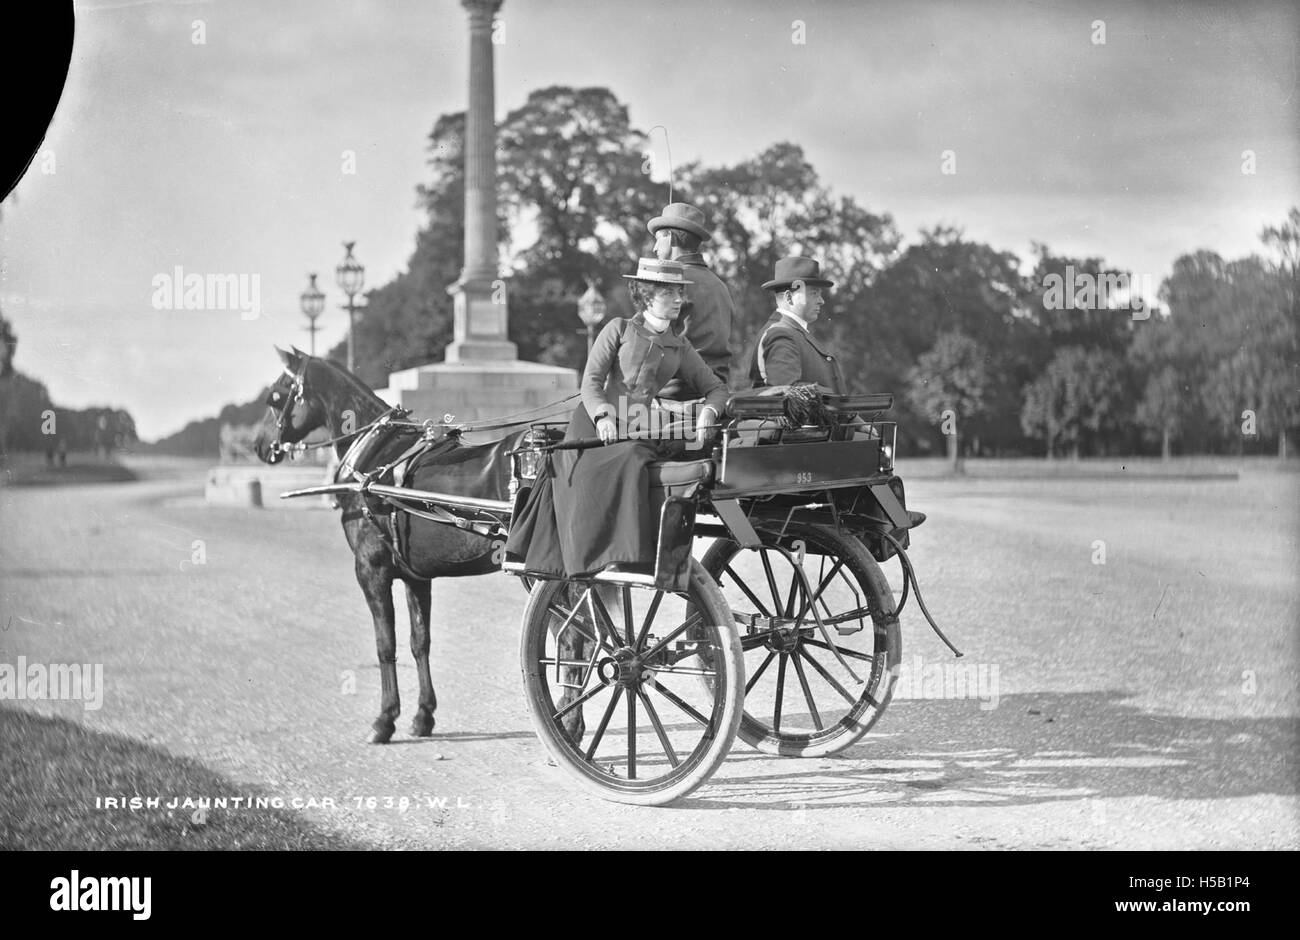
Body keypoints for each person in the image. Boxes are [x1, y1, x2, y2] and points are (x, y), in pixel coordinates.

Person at [505, 258, 729, 579]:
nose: (679, 299)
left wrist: (709, 411)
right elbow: (590, 381)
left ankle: (626, 553)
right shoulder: (619, 329)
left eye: (680, 292)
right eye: (670, 293)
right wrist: (603, 416)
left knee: (638, 455)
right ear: (646, 296)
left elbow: (716, 388)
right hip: (595, 426)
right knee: (630, 457)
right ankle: (596, 551)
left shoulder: (679, 346)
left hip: (636, 426)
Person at [648, 202, 734, 398]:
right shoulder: (721, 286)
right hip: (716, 389)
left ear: (670, 238)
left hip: (675, 390)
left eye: (658, 239)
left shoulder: (669, 284)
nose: (654, 248)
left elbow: (645, 346)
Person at [747, 256, 847, 394]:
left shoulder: (792, 331)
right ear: (789, 297)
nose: (821, 301)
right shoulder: (780, 334)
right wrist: (837, 401)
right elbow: (789, 392)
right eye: (814, 293)